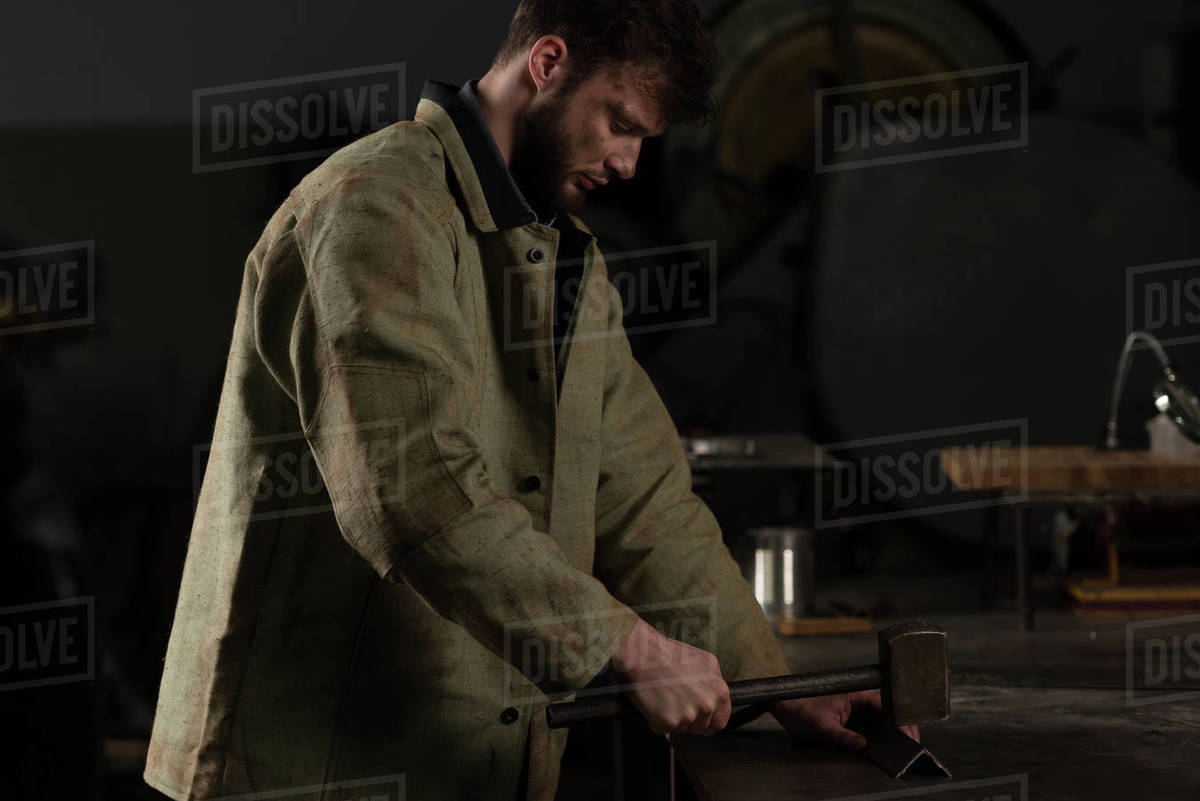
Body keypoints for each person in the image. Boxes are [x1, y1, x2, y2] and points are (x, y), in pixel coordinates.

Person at [144, 2, 913, 799]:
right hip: (308, 770)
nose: (628, 164)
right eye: (621, 123)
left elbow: (647, 506)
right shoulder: (373, 206)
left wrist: (778, 687)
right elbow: (412, 487)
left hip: (464, 766)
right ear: (547, 64)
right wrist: (630, 648)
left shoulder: (566, 262)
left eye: (643, 139)